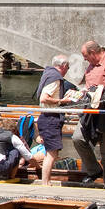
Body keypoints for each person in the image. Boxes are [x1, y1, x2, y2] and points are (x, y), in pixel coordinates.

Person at [71, 40, 105, 188]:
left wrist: (103, 91)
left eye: (85, 55)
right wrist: (82, 93)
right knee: (78, 138)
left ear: (93, 53)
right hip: (91, 111)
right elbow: (88, 87)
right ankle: (95, 171)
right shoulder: (90, 66)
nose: (84, 59)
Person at [35, 53, 75, 184]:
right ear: (63, 66)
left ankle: (46, 181)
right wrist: (62, 101)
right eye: (68, 67)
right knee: (52, 153)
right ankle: (45, 183)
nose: (67, 70)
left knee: (51, 152)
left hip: (45, 117)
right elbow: (44, 98)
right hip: (50, 118)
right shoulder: (55, 77)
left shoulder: (47, 74)